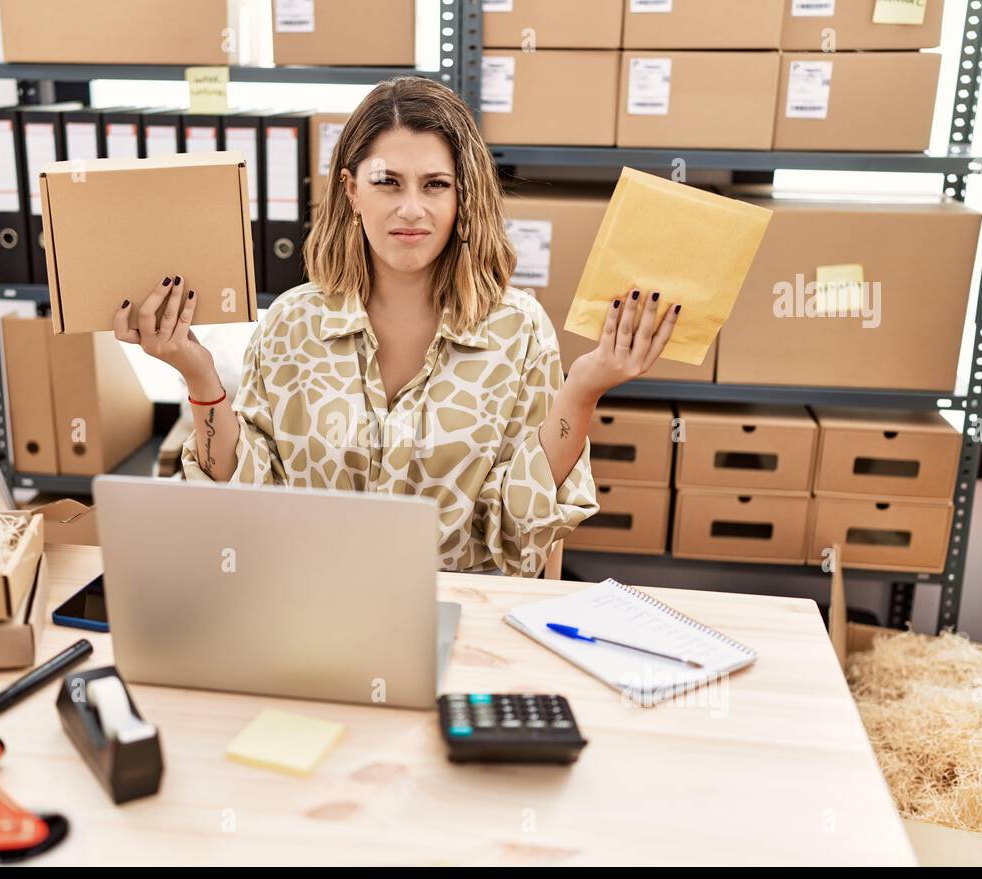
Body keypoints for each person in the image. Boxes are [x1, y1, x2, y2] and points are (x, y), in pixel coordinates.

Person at [114, 76, 679, 576]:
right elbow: (240, 500)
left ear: (462, 197)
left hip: (460, 617)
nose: (412, 208)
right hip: (309, 611)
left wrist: (583, 389)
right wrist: (199, 376)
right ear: (351, 190)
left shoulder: (518, 329)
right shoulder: (291, 322)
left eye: (435, 185)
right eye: (388, 182)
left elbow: (519, 534)